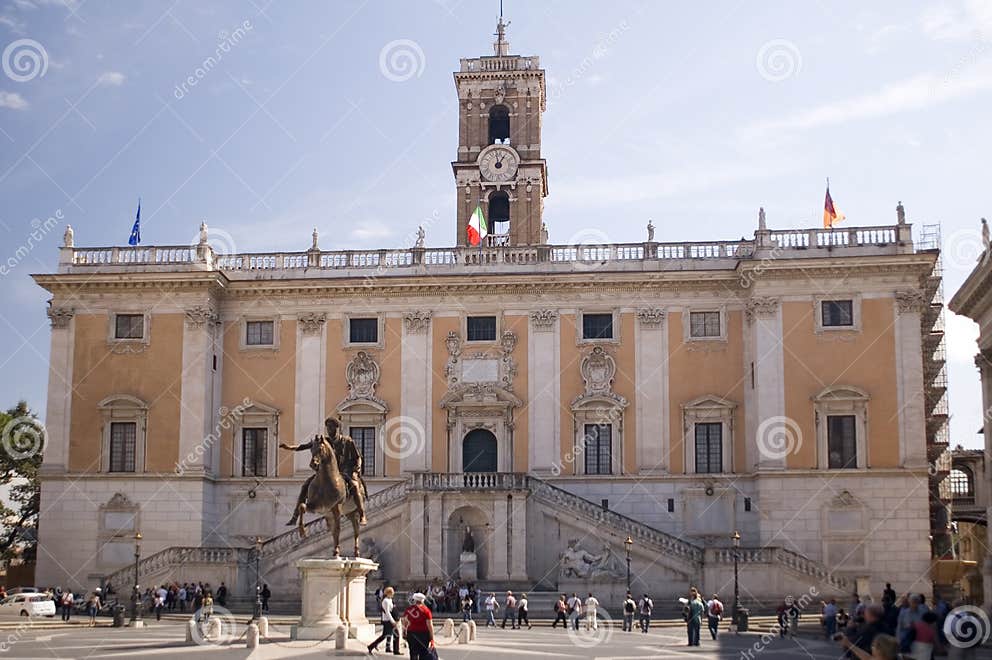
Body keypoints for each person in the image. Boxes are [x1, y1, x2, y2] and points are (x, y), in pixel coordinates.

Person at [281, 415, 367, 526]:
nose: (329, 430)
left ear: (337, 428)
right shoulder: (323, 442)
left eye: (331, 427)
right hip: (326, 472)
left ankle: (362, 514)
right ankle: (295, 516)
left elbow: (358, 457)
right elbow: (304, 446)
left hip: (344, 470)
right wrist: (289, 447)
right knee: (306, 485)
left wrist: (358, 466)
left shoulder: (347, 441)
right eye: (328, 427)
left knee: (354, 485)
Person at [368, 586, 400, 655]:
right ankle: (371, 646)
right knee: (385, 635)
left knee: (393, 635)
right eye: (391, 593)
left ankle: (396, 650)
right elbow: (387, 612)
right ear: (388, 593)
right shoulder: (385, 601)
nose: (393, 594)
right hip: (388, 621)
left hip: (390, 620)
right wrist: (392, 621)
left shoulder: (390, 600)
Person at [402, 593, 435, 660]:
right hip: (423, 634)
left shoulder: (408, 609)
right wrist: (432, 638)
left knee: (413, 653)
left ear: (414, 600)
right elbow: (430, 625)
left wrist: (404, 632)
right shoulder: (426, 610)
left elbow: (404, 622)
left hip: (411, 634)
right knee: (423, 653)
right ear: (422, 601)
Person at [837, 632, 902, 660]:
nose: (871, 647)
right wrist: (848, 644)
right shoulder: (895, 657)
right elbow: (867, 658)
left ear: (880, 651)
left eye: (874, 646)